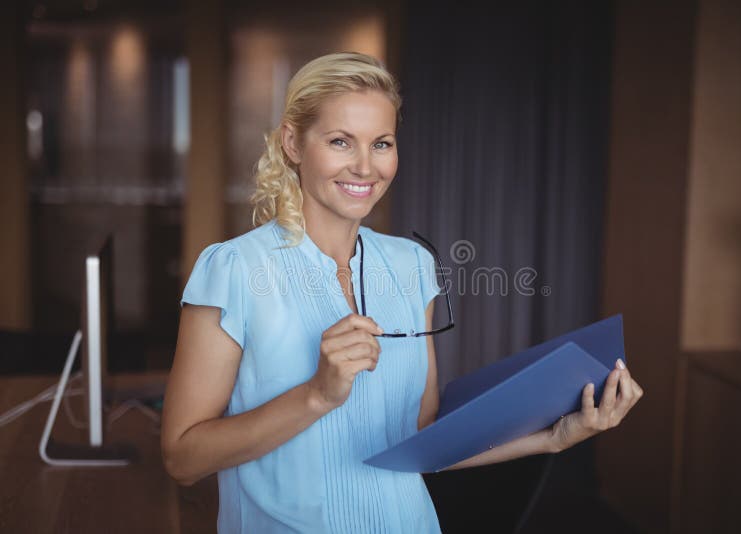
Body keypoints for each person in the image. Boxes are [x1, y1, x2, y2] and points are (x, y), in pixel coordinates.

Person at [160, 52, 643, 534]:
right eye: (340, 142)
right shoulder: (234, 269)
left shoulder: (412, 266)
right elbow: (182, 458)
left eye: (382, 143)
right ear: (292, 142)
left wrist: (553, 437)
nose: (366, 167)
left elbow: (419, 440)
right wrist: (315, 396)